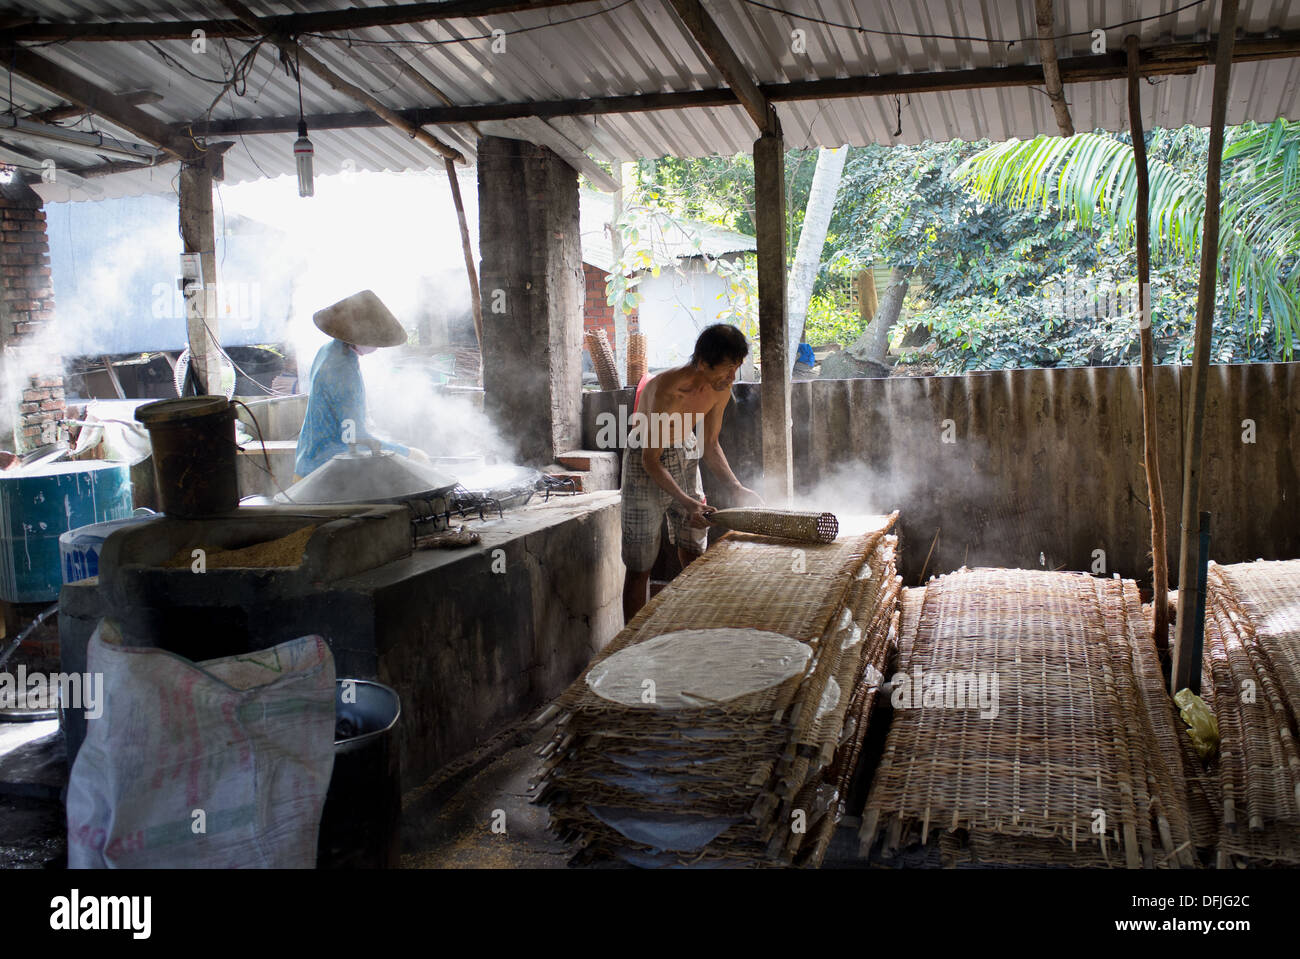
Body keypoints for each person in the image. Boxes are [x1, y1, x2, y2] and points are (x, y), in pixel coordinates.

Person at [621, 323, 762, 622]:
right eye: (726, 369)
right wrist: (688, 502)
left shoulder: (719, 391)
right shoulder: (666, 390)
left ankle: (700, 623)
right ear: (702, 362)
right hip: (645, 458)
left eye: (736, 368)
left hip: (685, 449)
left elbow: (710, 445)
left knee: (694, 544)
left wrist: (737, 487)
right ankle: (630, 642)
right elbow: (651, 459)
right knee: (640, 562)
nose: (732, 377)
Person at [293, 289, 428, 479]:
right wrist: (408, 454)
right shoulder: (342, 368)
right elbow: (354, 438)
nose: (378, 346)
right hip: (325, 474)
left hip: (308, 465)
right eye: (376, 339)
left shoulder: (329, 350)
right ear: (361, 335)